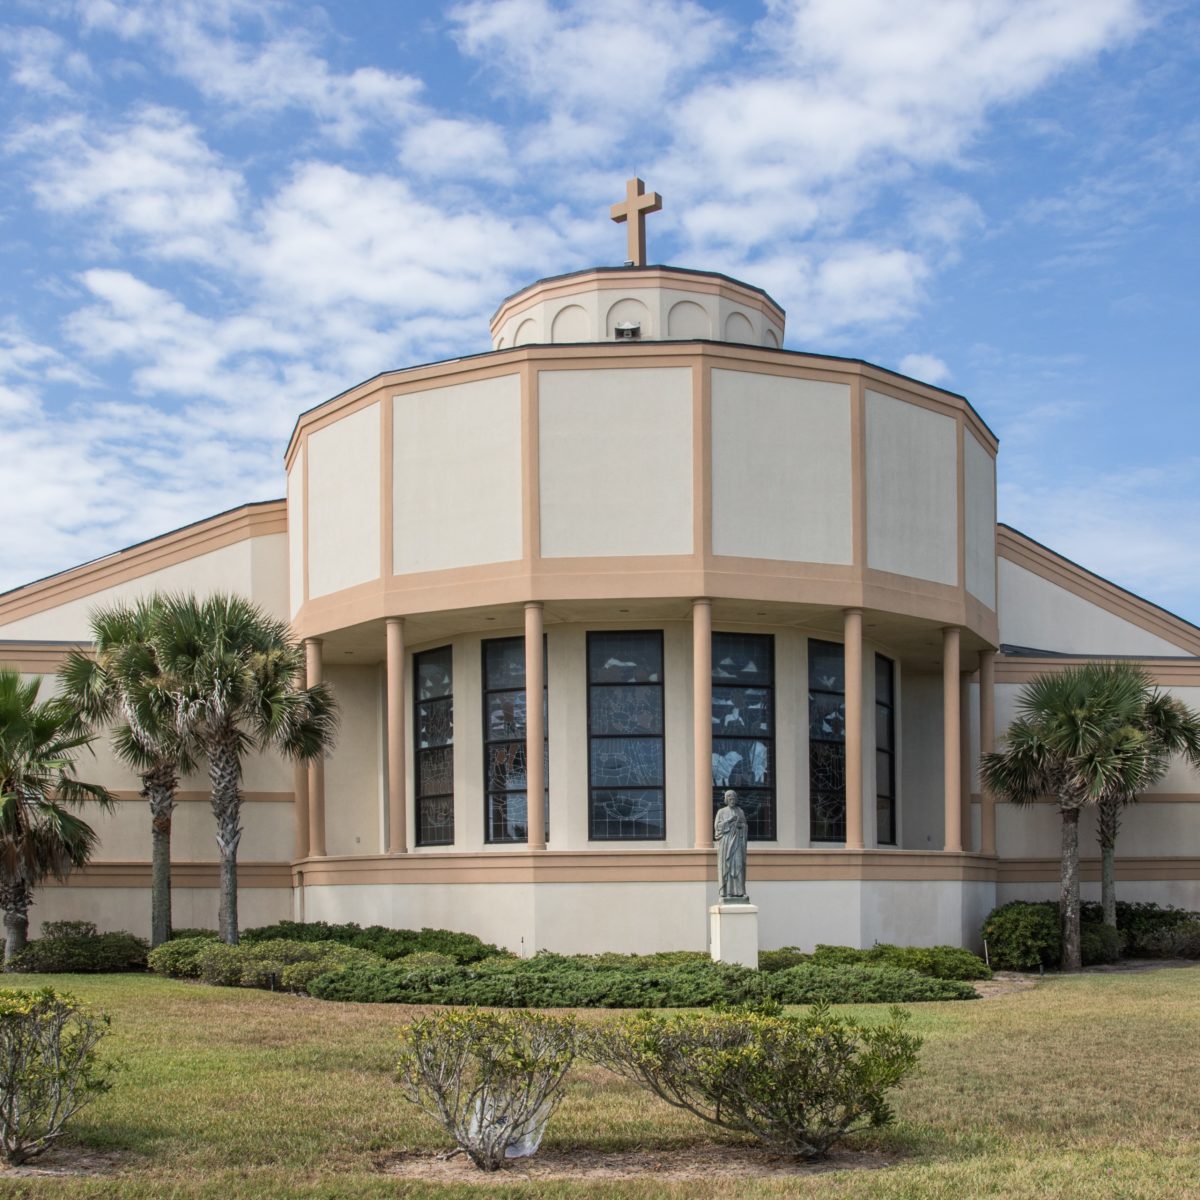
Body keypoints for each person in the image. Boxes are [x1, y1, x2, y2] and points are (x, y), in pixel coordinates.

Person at [714, 789, 749, 903]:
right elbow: (717, 827)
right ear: (726, 800)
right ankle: (728, 891)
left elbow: (745, 826)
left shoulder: (740, 811)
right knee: (727, 867)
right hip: (726, 842)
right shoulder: (721, 812)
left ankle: (740, 891)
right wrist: (729, 821)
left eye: (733, 799)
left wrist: (740, 826)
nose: (732, 801)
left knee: (738, 865)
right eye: (729, 799)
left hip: (737, 842)